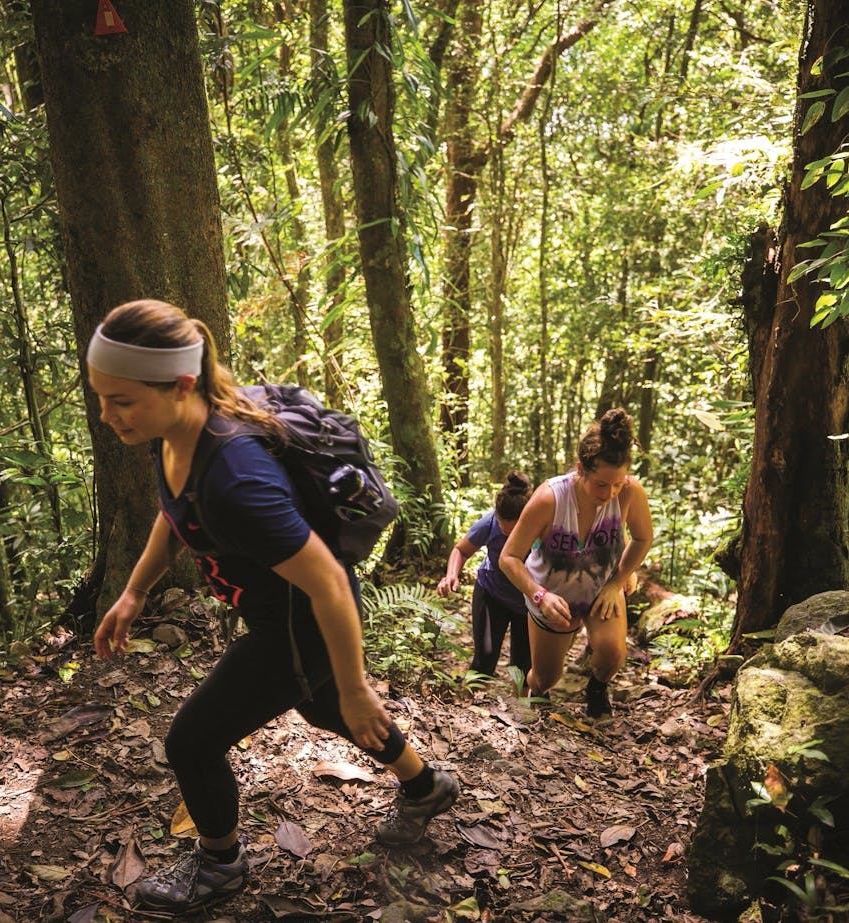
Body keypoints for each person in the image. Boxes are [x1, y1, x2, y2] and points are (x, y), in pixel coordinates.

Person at [88, 300, 458, 913]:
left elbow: (330, 585)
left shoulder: (236, 480)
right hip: (281, 619)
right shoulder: (174, 432)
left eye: (121, 400)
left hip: (300, 626)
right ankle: (425, 785)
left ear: (181, 385)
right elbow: (173, 511)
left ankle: (220, 867)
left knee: (192, 742)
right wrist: (135, 590)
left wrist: (358, 684)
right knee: (323, 710)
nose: (107, 415)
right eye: (101, 397)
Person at [499, 410, 653, 718]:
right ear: (581, 469)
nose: (609, 494)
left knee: (612, 654)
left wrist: (617, 581)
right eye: (600, 484)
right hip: (551, 594)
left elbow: (642, 538)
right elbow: (508, 558)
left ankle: (596, 687)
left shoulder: (630, 493)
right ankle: (530, 692)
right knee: (546, 677)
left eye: (617, 484)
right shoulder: (549, 498)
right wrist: (539, 596)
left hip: (600, 589)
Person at [437, 472, 534, 682]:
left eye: (514, 531)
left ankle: (524, 709)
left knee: (524, 666)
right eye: (503, 527)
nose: (507, 534)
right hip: (492, 594)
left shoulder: (542, 528)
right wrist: (451, 575)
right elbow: (461, 551)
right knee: (485, 659)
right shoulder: (489, 523)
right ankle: (473, 708)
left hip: (528, 602)